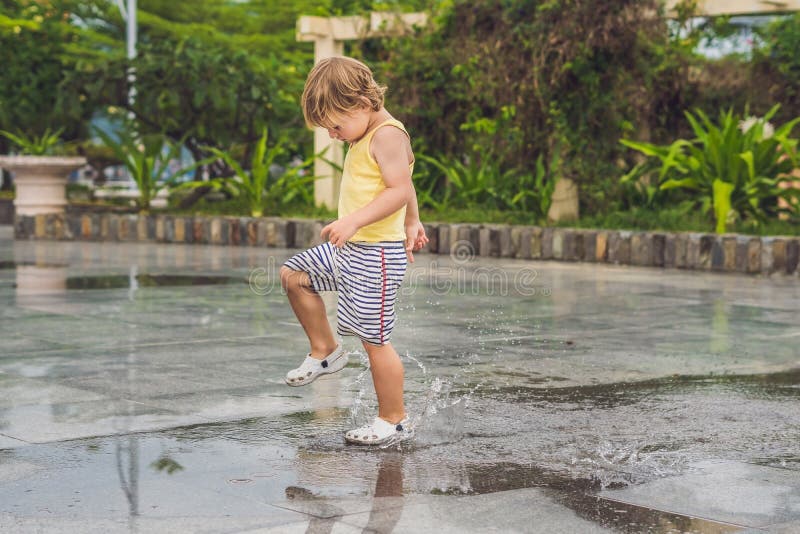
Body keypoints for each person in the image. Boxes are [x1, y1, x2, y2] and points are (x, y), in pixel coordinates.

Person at [280, 56, 428, 445]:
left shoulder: (387, 135)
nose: (331, 134)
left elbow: (398, 187)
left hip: (375, 254)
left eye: (334, 125)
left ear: (362, 103)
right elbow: (404, 184)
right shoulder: (366, 130)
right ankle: (326, 350)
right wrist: (413, 220)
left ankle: (394, 419)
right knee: (295, 277)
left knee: (374, 339)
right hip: (353, 248)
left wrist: (356, 220)